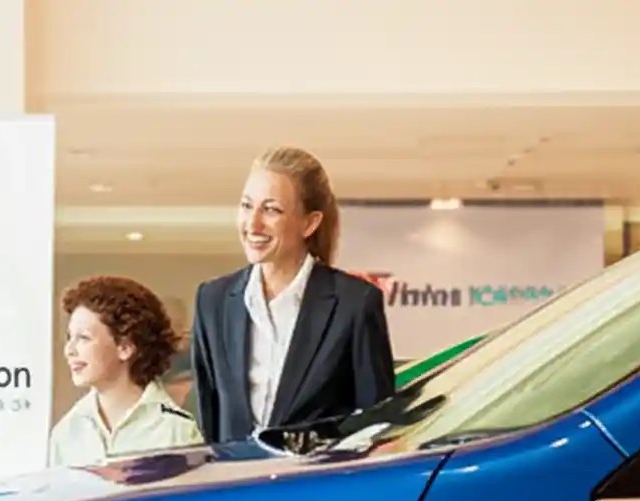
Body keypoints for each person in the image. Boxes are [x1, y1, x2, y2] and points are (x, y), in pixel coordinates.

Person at [191, 146, 395, 444]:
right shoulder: (213, 301)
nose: (253, 224)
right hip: (237, 483)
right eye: (247, 206)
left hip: (316, 486)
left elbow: (376, 425)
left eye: (271, 209)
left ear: (310, 223)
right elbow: (210, 420)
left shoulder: (354, 303)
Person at [50, 276, 203, 466]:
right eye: (69, 338)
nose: (69, 350)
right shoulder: (65, 433)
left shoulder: (175, 431)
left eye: (84, 338)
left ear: (125, 347)